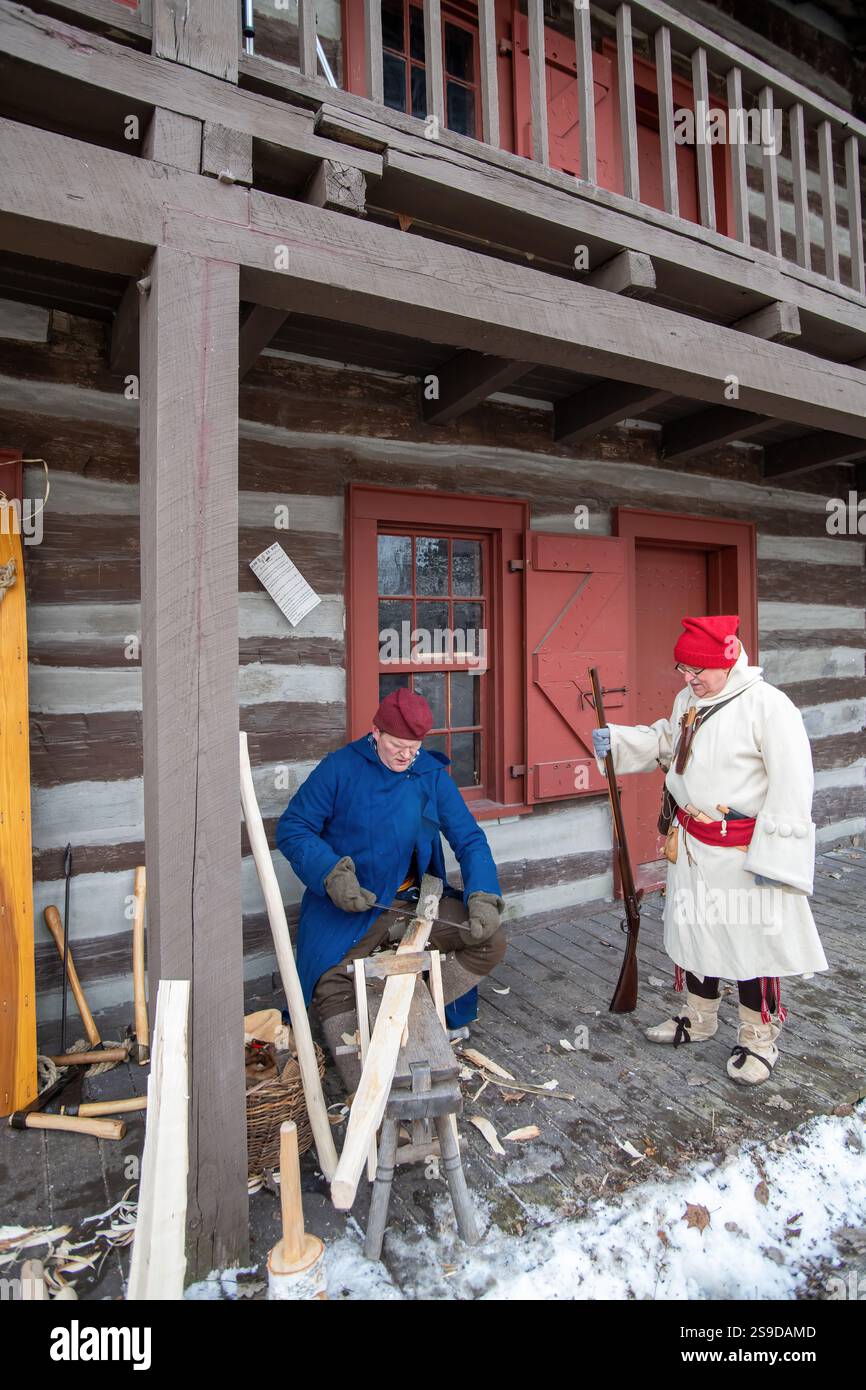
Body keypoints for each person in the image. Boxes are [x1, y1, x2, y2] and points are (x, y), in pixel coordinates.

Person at [592, 615, 828, 1085]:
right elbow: (669, 744)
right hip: (692, 846)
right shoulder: (689, 699)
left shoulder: (769, 707)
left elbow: (792, 786)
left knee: (749, 945)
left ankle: (759, 1038)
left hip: (744, 852)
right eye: (683, 668)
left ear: (727, 661)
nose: (688, 679)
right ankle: (698, 1018)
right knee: (697, 933)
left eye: (698, 670)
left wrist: (778, 862)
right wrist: (618, 741)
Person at [276, 687, 506, 1093]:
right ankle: (367, 1086)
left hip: (410, 906)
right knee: (329, 983)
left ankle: (413, 1015)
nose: (406, 756)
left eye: (414, 748)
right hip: (349, 908)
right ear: (376, 733)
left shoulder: (428, 773)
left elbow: (469, 838)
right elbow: (293, 828)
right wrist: (331, 874)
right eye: (398, 746)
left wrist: (483, 894)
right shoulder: (340, 769)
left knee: (487, 939)